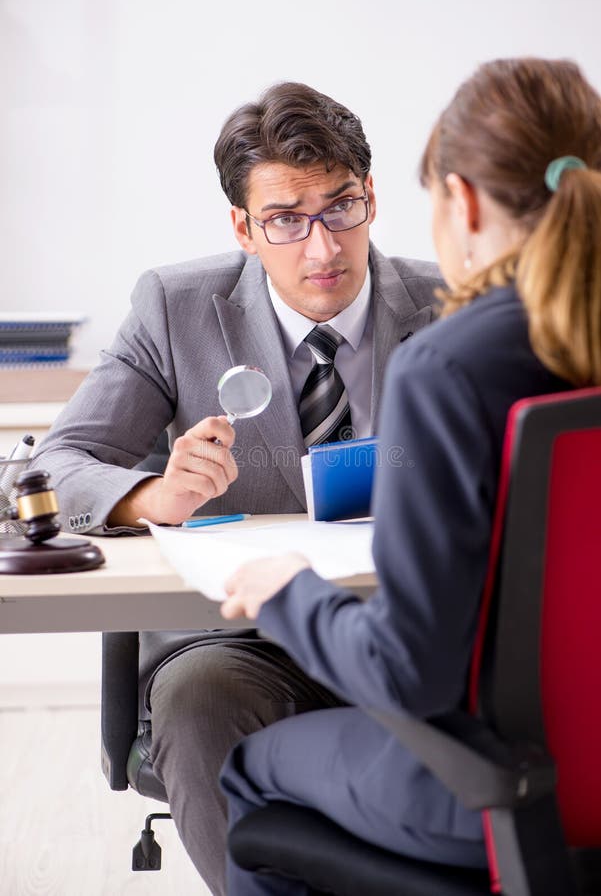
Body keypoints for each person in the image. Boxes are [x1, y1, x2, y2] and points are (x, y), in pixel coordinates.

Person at [31, 82, 441, 894]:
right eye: (286, 219)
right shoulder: (177, 306)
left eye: (341, 207)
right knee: (198, 697)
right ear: (243, 229)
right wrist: (153, 496)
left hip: (410, 625)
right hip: (241, 638)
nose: (321, 247)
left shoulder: (448, 302)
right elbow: (49, 468)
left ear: (371, 199)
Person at [219, 57, 601, 894]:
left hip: (513, 791)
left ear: (459, 201)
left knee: (253, 769)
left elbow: (408, 672)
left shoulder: (448, 366)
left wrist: (287, 591)